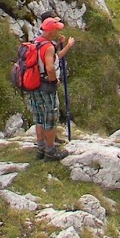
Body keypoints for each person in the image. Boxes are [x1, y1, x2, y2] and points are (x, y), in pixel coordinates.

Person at [27, 15, 76, 161]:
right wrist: (54, 81)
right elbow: (50, 67)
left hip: (33, 84)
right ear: (51, 31)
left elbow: (52, 58)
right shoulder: (48, 47)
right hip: (46, 86)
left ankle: (41, 148)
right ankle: (50, 151)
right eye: (56, 30)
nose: (57, 32)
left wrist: (63, 45)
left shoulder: (36, 42)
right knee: (50, 118)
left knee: (39, 118)